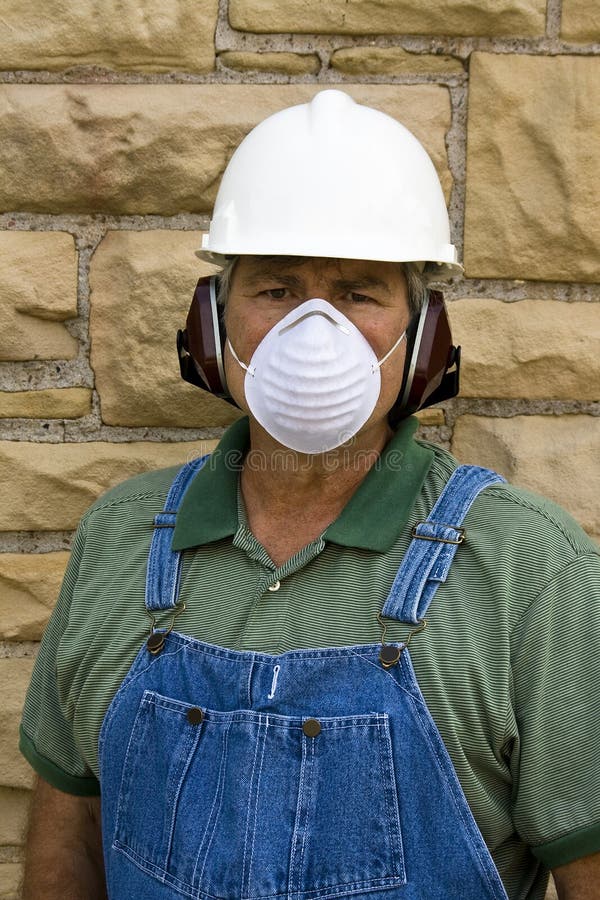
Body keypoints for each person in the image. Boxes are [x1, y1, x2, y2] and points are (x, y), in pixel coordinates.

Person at [20, 90, 600, 900]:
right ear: (210, 328)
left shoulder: (531, 570)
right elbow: (65, 841)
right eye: (276, 288)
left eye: (358, 292)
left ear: (424, 337)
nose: (314, 329)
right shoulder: (119, 535)